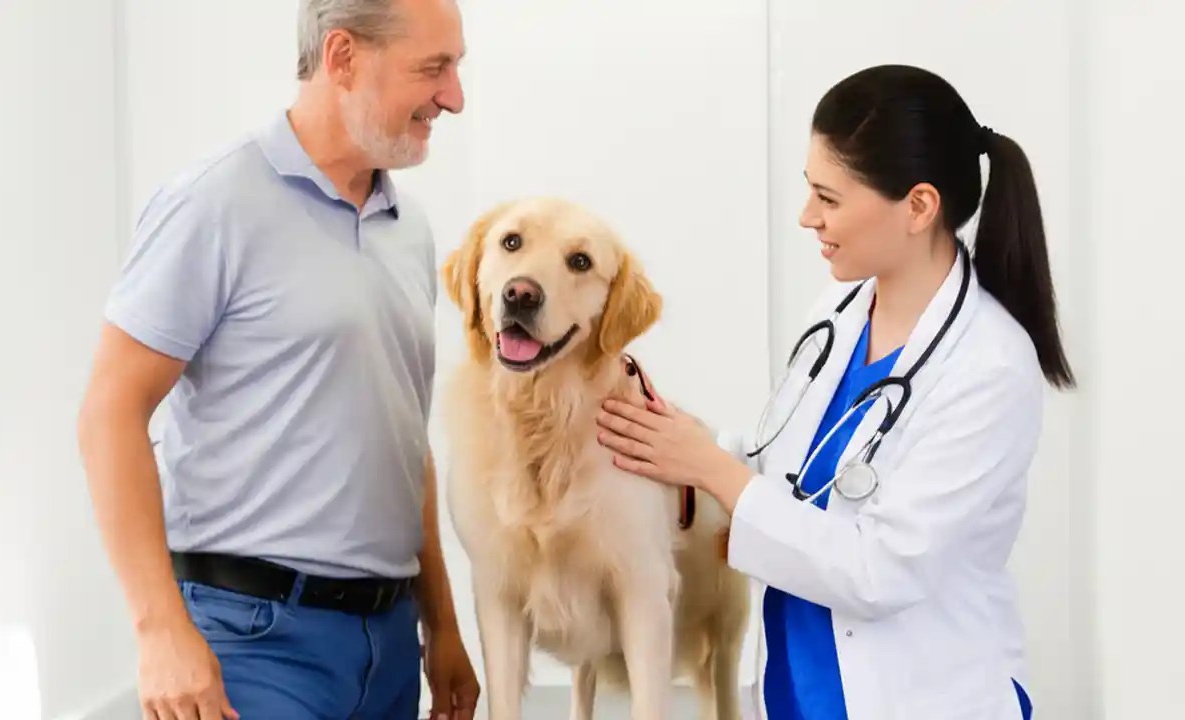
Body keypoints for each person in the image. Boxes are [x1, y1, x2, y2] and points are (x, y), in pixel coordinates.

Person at [595, 64, 1073, 720]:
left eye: (829, 197)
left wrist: (709, 468)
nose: (807, 217)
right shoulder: (841, 311)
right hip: (799, 694)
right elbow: (794, 478)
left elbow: (880, 571)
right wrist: (683, 443)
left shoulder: (990, 367)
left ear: (919, 206)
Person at [76, 1, 479, 718]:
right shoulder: (214, 202)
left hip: (389, 648)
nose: (454, 96)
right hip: (252, 643)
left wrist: (441, 624)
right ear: (342, 56)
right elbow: (109, 413)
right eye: (433, 68)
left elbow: (404, 445)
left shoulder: (408, 230)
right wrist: (158, 630)